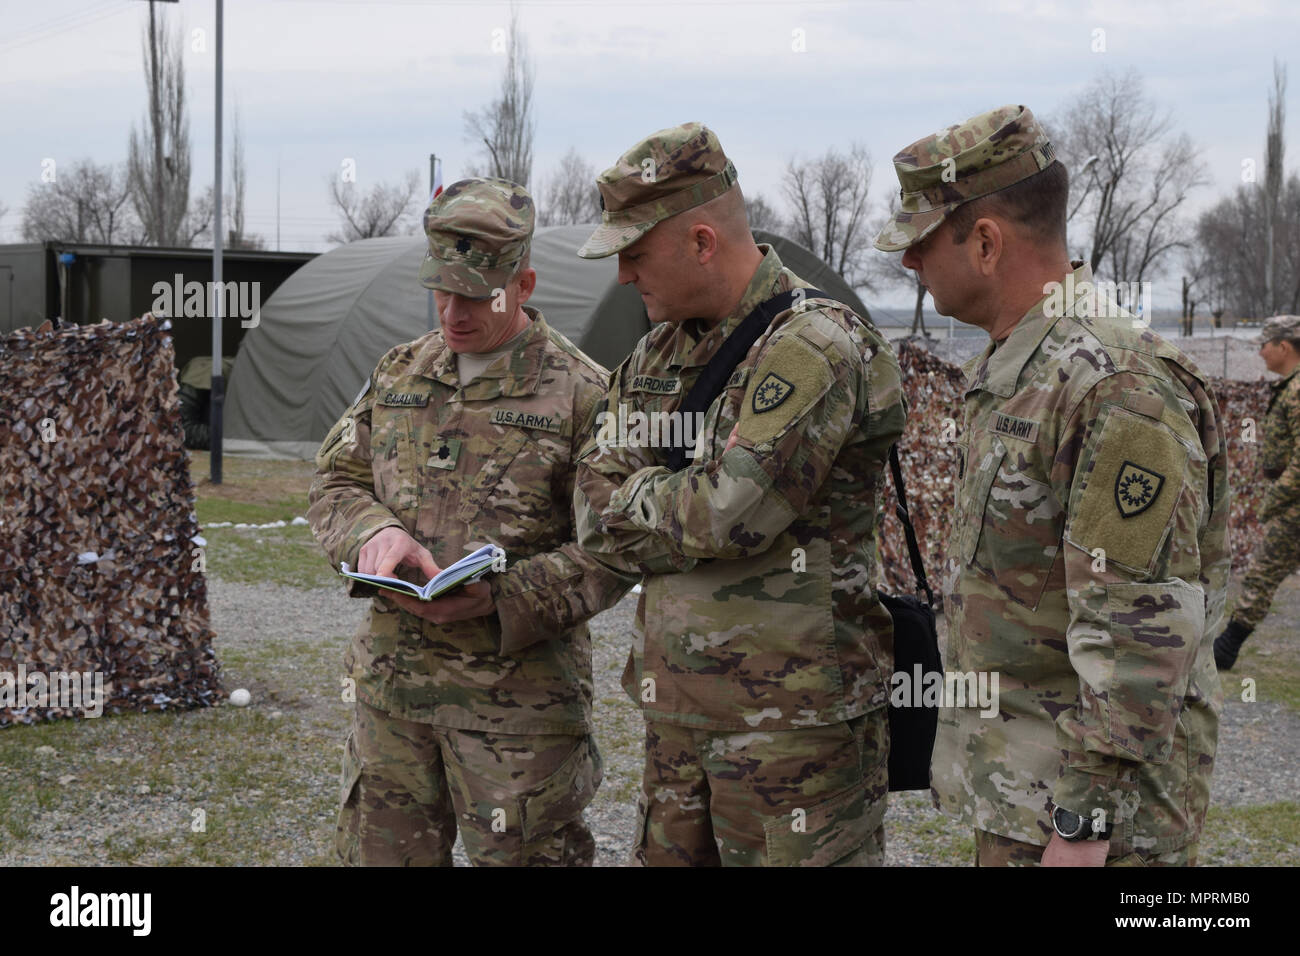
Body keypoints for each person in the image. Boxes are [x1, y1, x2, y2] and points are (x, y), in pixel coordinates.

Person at [876, 105, 1229, 866]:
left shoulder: (1114, 385)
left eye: (921, 245)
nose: (910, 264)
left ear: (985, 242)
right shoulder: (1019, 370)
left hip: (1096, 829)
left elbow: (1139, 628)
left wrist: (1082, 823)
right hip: (1027, 795)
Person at [573, 122, 905, 867]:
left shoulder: (811, 345)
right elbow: (589, 505)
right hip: (677, 722)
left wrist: (633, 494)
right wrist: (652, 498)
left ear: (700, 242)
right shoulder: (658, 350)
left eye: (635, 251)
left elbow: (732, 515)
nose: (623, 274)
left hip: (795, 733)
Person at [308, 177, 632, 866]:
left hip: (518, 716)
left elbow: (613, 551)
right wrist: (374, 533)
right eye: (441, 291)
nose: (452, 312)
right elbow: (336, 479)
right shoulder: (400, 373)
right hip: (395, 699)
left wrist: (504, 596)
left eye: (473, 295)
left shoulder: (583, 394)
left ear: (524, 284)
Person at [1214, 313, 1300, 669]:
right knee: (1264, 571)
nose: (1261, 353)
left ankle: (1226, 648)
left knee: (1262, 572)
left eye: (1264, 345)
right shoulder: (1291, 387)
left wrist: (1274, 498)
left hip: (1294, 503)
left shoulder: (1297, 392)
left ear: (1283, 346)